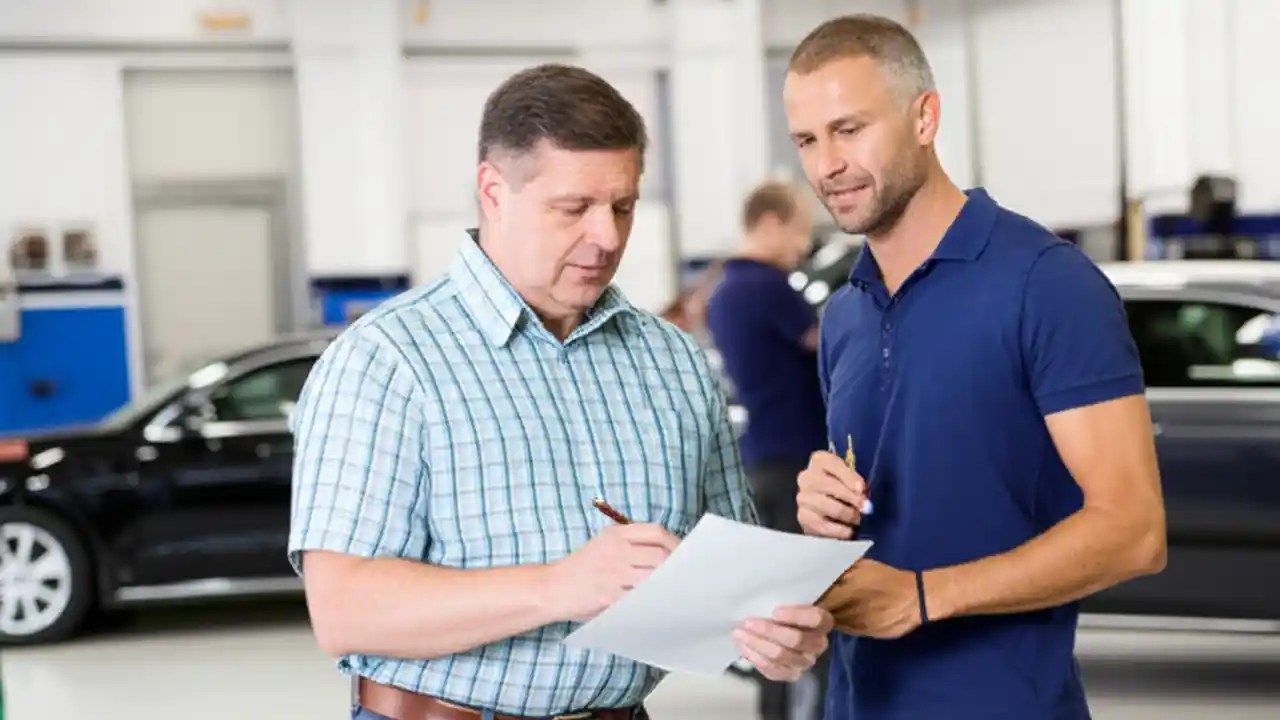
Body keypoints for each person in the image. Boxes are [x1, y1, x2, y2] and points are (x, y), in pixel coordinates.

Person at [288, 63, 833, 720]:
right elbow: (345, 611)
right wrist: (557, 588)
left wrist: (773, 632)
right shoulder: (386, 363)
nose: (606, 237)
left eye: (623, 207)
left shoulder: (671, 363)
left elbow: (729, 579)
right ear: (493, 191)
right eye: (573, 208)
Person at [782, 15, 1167, 720]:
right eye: (806, 140)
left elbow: (1134, 531)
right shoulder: (845, 316)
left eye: (849, 129)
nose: (825, 165)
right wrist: (821, 509)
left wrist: (923, 595)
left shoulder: (1047, 284)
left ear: (924, 117)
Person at [704, 182, 827, 720]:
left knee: (775, 613)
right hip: (796, 463)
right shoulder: (768, 287)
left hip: (761, 460)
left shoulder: (724, 289)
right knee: (803, 620)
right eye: (801, 229)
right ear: (772, 222)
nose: (804, 246)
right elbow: (829, 345)